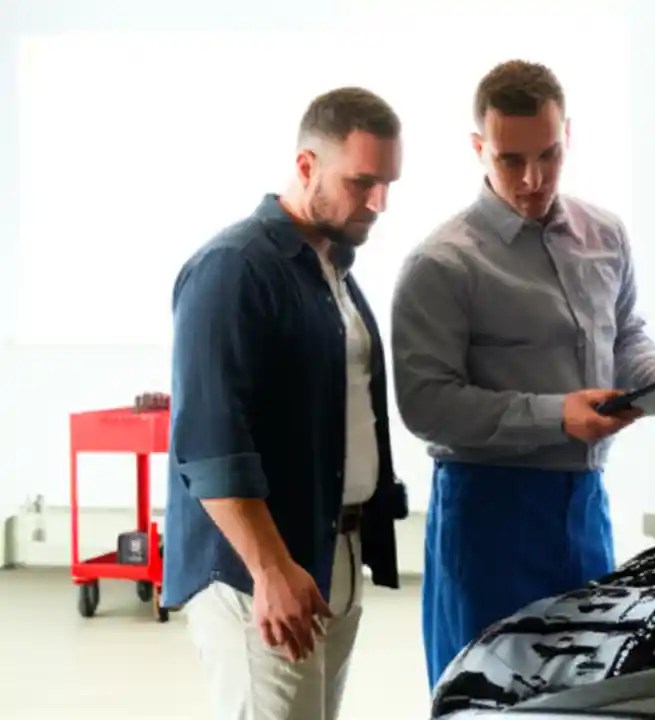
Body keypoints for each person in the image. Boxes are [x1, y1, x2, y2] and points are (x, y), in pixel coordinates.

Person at [390, 59, 655, 688]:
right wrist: (557, 414)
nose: (533, 178)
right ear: (479, 149)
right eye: (510, 160)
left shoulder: (605, 233)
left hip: (585, 504)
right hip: (488, 509)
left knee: (586, 688)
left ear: (568, 138)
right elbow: (427, 404)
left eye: (549, 155)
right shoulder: (441, 264)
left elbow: (625, 332)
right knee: (486, 692)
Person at [163, 86, 409, 719]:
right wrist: (270, 569)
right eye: (362, 182)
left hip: (332, 555)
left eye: (388, 183)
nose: (378, 202)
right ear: (306, 167)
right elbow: (212, 444)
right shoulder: (232, 268)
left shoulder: (331, 269)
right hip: (260, 575)